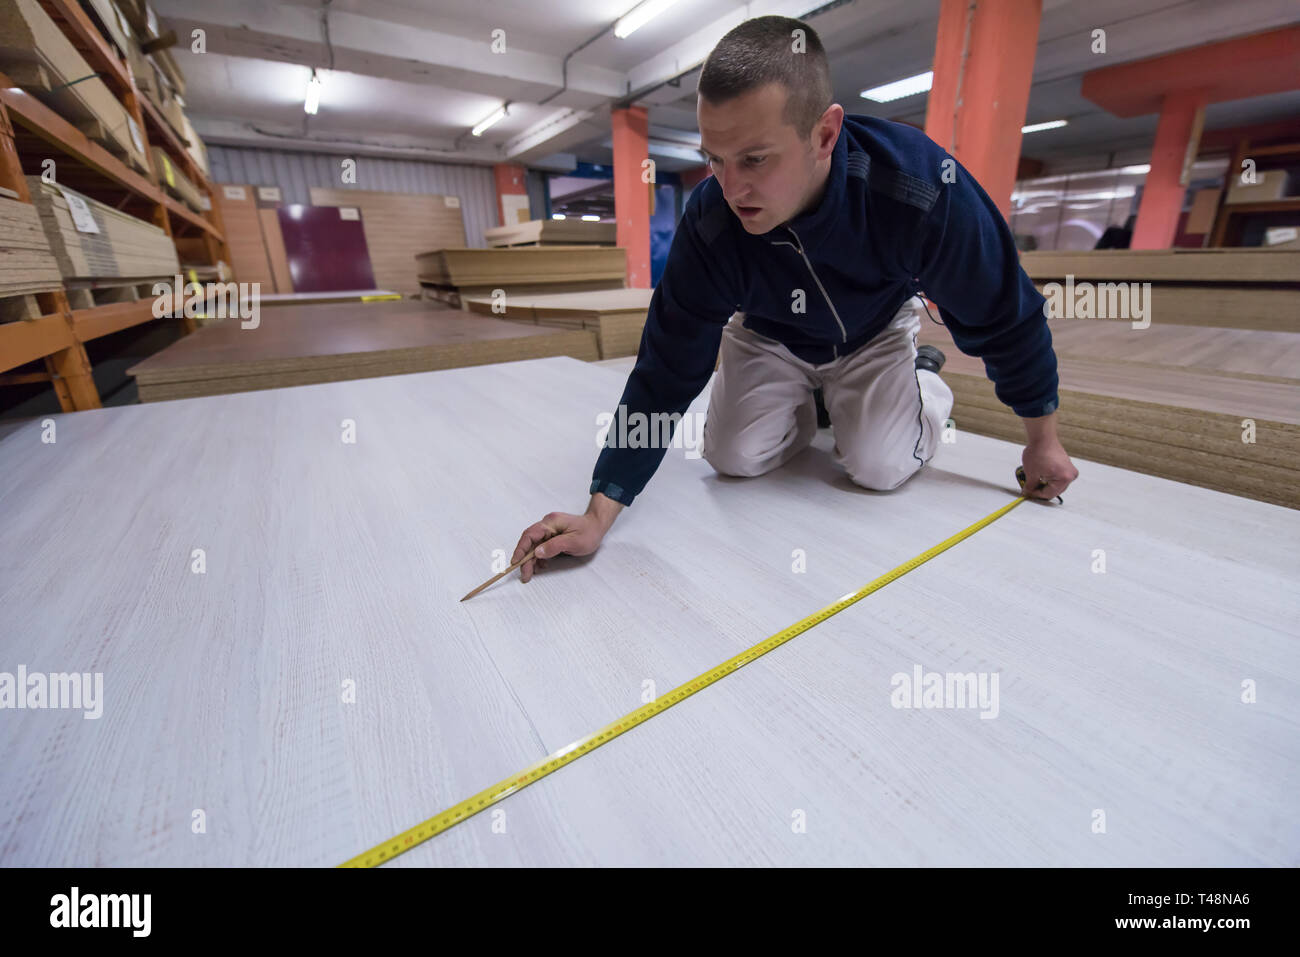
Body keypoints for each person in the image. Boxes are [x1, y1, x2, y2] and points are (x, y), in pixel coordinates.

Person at [511, 14, 1078, 582]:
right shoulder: (711, 221)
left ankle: (923, 378)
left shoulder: (919, 186)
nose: (731, 189)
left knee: (879, 467)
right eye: (715, 159)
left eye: (755, 159)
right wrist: (599, 510)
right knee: (732, 459)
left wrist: (1042, 442)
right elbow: (664, 372)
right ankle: (821, 397)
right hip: (769, 333)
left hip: (873, 329)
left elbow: (1006, 314)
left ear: (825, 134)